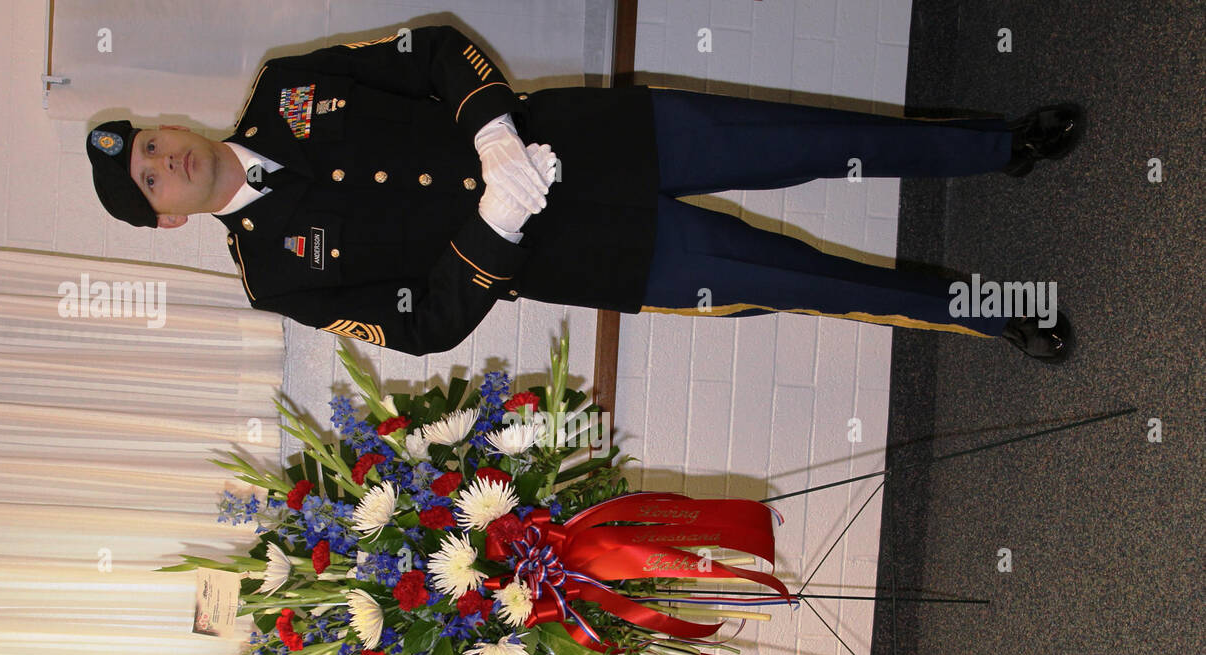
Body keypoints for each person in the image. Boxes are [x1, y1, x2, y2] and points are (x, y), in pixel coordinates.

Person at [87, 23, 1082, 362]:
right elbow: (423, 324)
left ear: (171, 125)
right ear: (166, 215)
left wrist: (490, 127)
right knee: (810, 279)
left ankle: (1000, 148)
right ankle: (993, 314)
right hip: (592, 256)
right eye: (146, 178)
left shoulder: (284, 84)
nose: (162, 157)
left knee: (816, 139)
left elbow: (432, 50)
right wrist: (495, 216)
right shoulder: (273, 276)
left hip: (598, 139)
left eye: (150, 141)